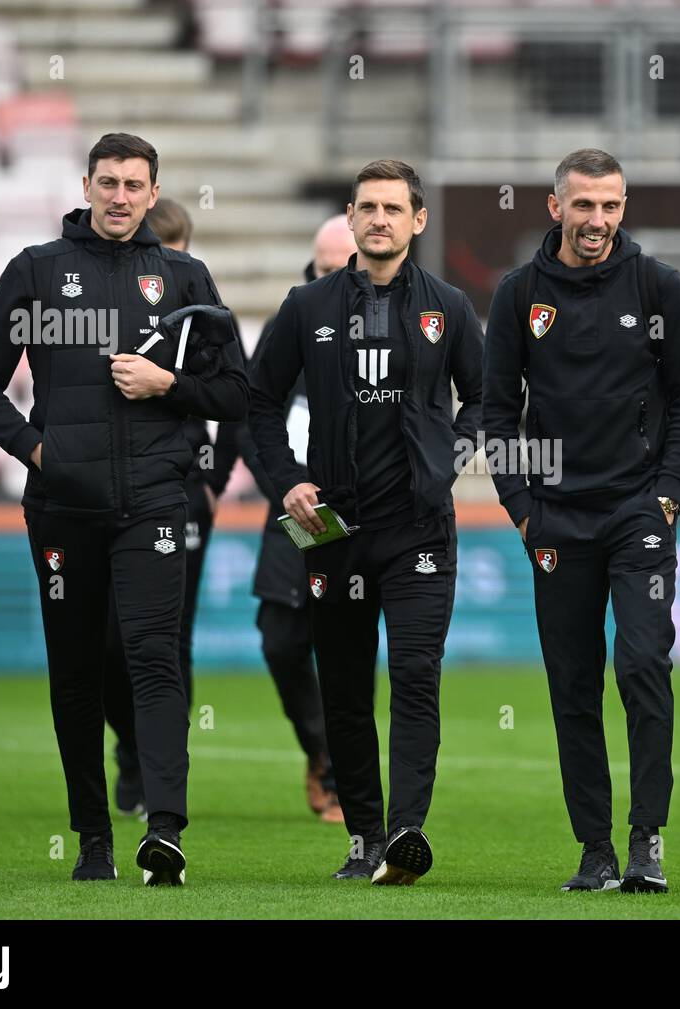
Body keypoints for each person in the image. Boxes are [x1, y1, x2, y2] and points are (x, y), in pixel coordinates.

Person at [0, 133, 249, 885]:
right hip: (62, 510)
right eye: (108, 182)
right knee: (77, 673)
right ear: (86, 185)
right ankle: (93, 840)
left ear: (155, 194)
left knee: (155, 662)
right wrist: (37, 450)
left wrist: (167, 386)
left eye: (135, 185)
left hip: (155, 502)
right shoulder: (37, 270)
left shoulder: (184, 276)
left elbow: (236, 392)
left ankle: (165, 832)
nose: (120, 197)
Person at [247, 160, 483, 884]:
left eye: (394, 208)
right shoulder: (306, 306)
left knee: (415, 677)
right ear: (350, 218)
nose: (380, 219)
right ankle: (363, 838)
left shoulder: (449, 306)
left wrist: (449, 458)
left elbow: (485, 402)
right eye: (368, 207)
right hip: (331, 532)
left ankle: (407, 831)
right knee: (345, 687)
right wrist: (287, 481)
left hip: (418, 529)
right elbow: (255, 404)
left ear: (418, 220)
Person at [481, 149, 680, 893]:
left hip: (637, 514)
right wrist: (522, 510)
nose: (598, 220)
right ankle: (595, 848)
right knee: (572, 685)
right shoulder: (519, 295)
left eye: (611, 206)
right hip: (556, 520)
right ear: (555, 207)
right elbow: (494, 414)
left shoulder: (656, 286)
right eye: (584, 205)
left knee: (642, 664)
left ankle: (647, 838)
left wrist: (668, 493)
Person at [207, 214, 358, 824]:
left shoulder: (394, 323)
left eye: (339, 267)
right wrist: (287, 487)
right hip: (293, 507)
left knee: (347, 644)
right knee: (281, 640)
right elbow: (248, 414)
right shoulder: (288, 322)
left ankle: (353, 779)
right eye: (321, 268)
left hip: (367, 511)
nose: (331, 278)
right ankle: (322, 752)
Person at [103, 197, 213, 818]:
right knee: (110, 643)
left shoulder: (199, 305)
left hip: (182, 490)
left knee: (169, 640)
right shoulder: (104, 304)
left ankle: (159, 775)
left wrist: (216, 479)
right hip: (109, 488)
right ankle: (131, 754)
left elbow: (239, 393)